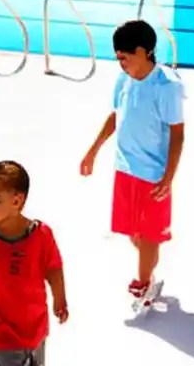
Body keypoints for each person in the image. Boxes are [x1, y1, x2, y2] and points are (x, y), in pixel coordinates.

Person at [79, 19, 184, 312]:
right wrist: (93, 151)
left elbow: (177, 133)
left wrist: (169, 176)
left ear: (142, 51)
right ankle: (149, 266)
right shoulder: (123, 80)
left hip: (153, 173)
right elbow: (116, 115)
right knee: (133, 231)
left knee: (148, 233)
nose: (121, 63)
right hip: (125, 168)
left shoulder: (167, 86)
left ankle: (144, 279)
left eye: (124, 57)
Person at [0, 161, 68, 366]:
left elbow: (53, 267)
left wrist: (60, 298)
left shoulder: (41, 235)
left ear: (17, 201)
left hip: (35, 328)